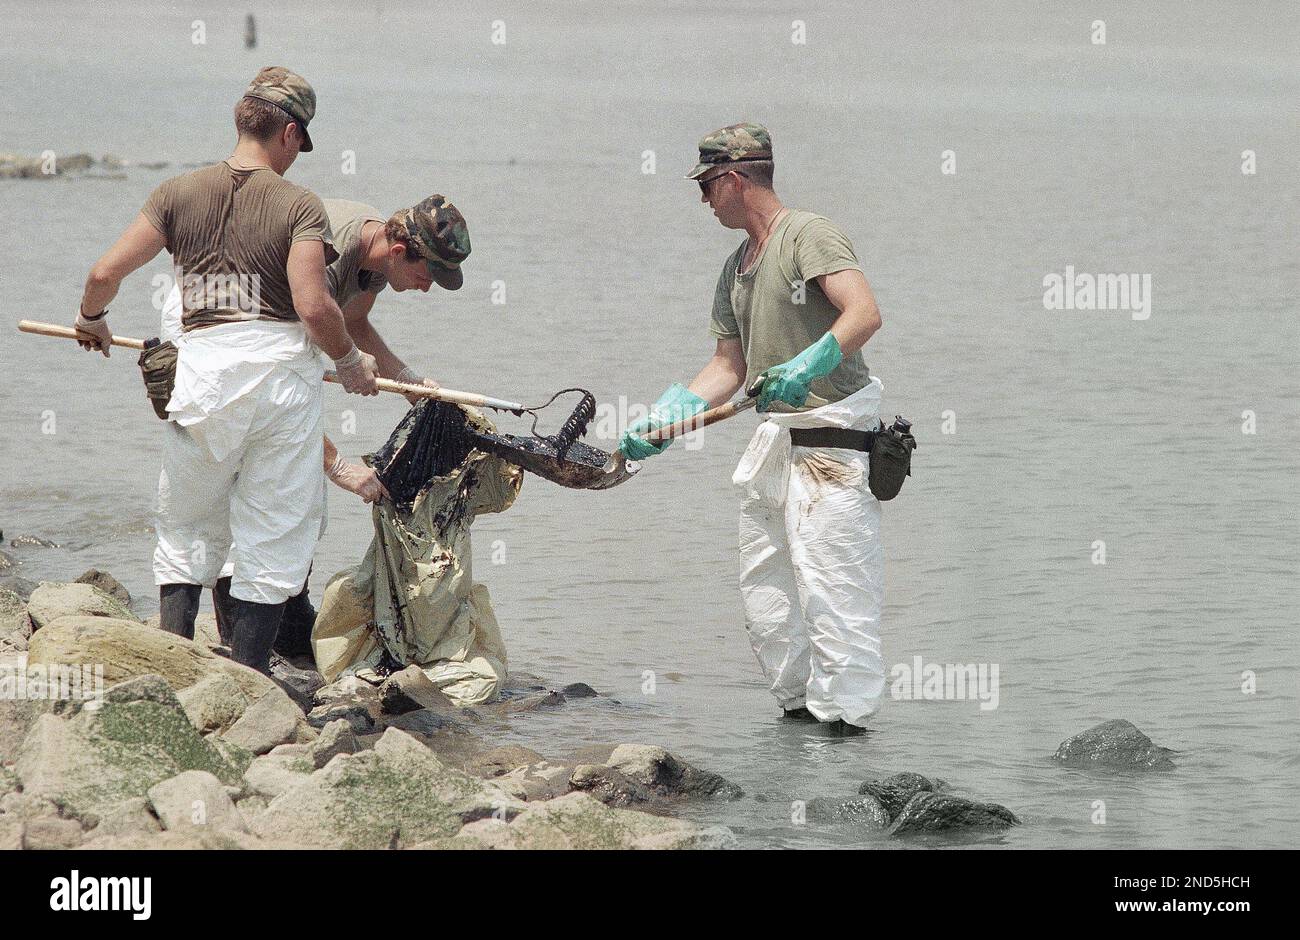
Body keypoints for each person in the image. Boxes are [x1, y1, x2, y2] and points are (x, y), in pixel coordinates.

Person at [73, 66, 381, 675]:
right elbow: (314, 305)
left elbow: (104, 273)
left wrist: (92, 319)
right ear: (289, 133)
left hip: (202, 382)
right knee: (272, 532)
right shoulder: (298, 205)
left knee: (186, 524)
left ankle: (176, 663)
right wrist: (349, 360)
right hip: (277, 388)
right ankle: (247, 679)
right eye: (301, 143)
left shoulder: (176, 194)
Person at [620, 123, 885, 731]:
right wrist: (669, 416)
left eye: (708, 187)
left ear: (734, 179)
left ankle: (843, 736)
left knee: (834, 596)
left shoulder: (808, 235)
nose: (704, 200)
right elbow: (728, 366)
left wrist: (809, 362)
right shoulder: (736, 266)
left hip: (833, 445)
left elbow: (863, 312)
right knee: (767, 599)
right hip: (777, 449)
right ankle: (796, 722)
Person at [157, 193, 473, 657]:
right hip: (213, 318)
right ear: (402, 252)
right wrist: (338, 463)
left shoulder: (377, 257)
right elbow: (281, 397)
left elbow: (353, 318)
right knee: (243, 482)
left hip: (273, 324)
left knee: (288, 497)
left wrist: (401, 376)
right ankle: (197, 648)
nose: (428, 288)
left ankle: (263, 617)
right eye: (428, 277)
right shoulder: (327, 255)